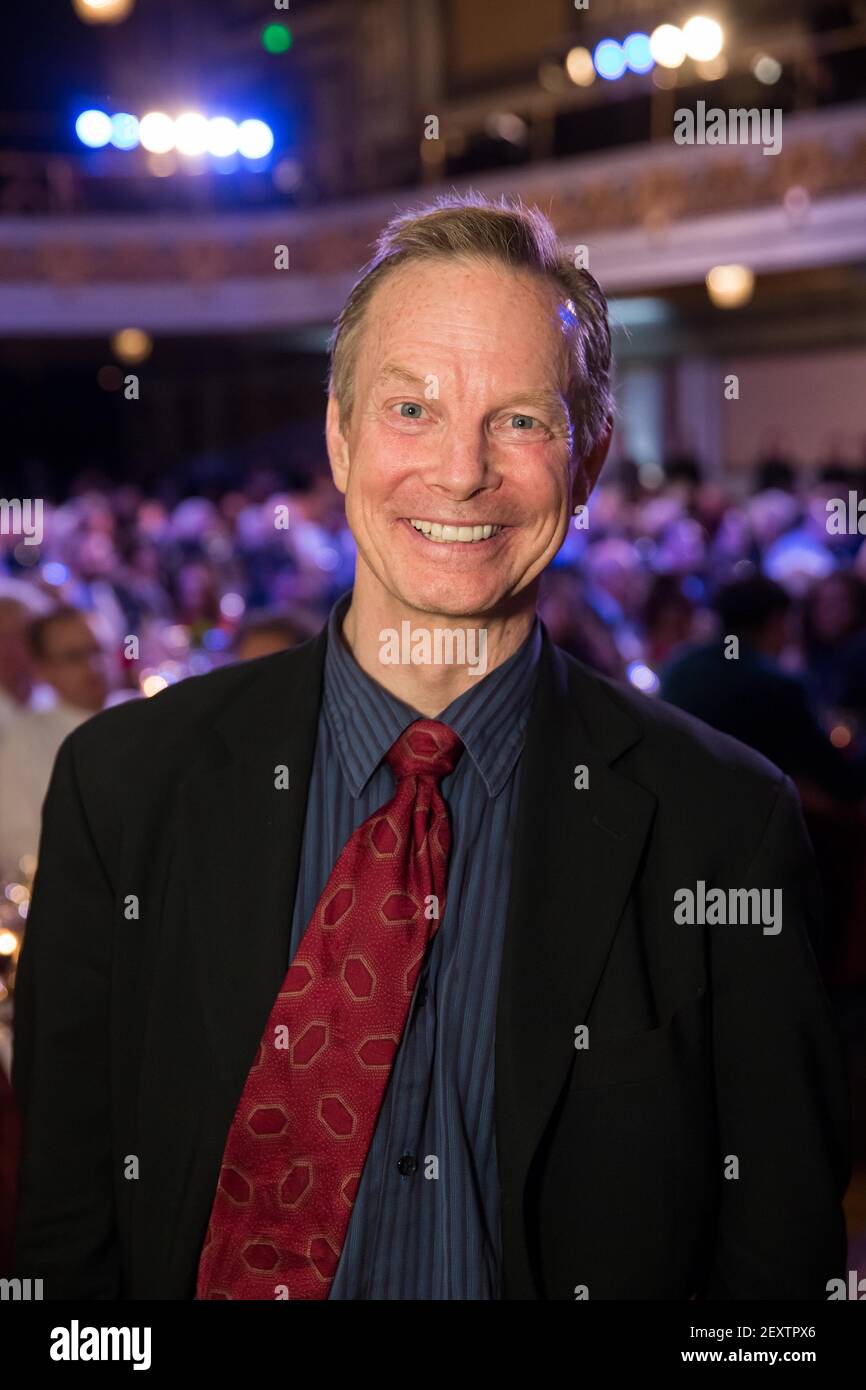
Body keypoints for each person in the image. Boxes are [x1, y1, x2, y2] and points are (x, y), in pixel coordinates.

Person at [12, 194, 850, 1300]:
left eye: (520, 421)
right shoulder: (121, 786)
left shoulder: (725, 824)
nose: (461, 473)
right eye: (412, 408)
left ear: (589, 459)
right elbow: (69, 1240)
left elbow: (773, 1282)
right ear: (339, 435)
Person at [660, 576, 866, 805]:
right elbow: (837, 779)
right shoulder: (777, 686)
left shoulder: (679, 668)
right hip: (748, 812)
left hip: (676, 799)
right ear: (776, 622)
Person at [0, 607, 110, 881]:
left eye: (97, 650)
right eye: (74, 657)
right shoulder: (25, 736)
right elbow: (17, 842)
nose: (93, 665)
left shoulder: (141, 715)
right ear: (42, 669)